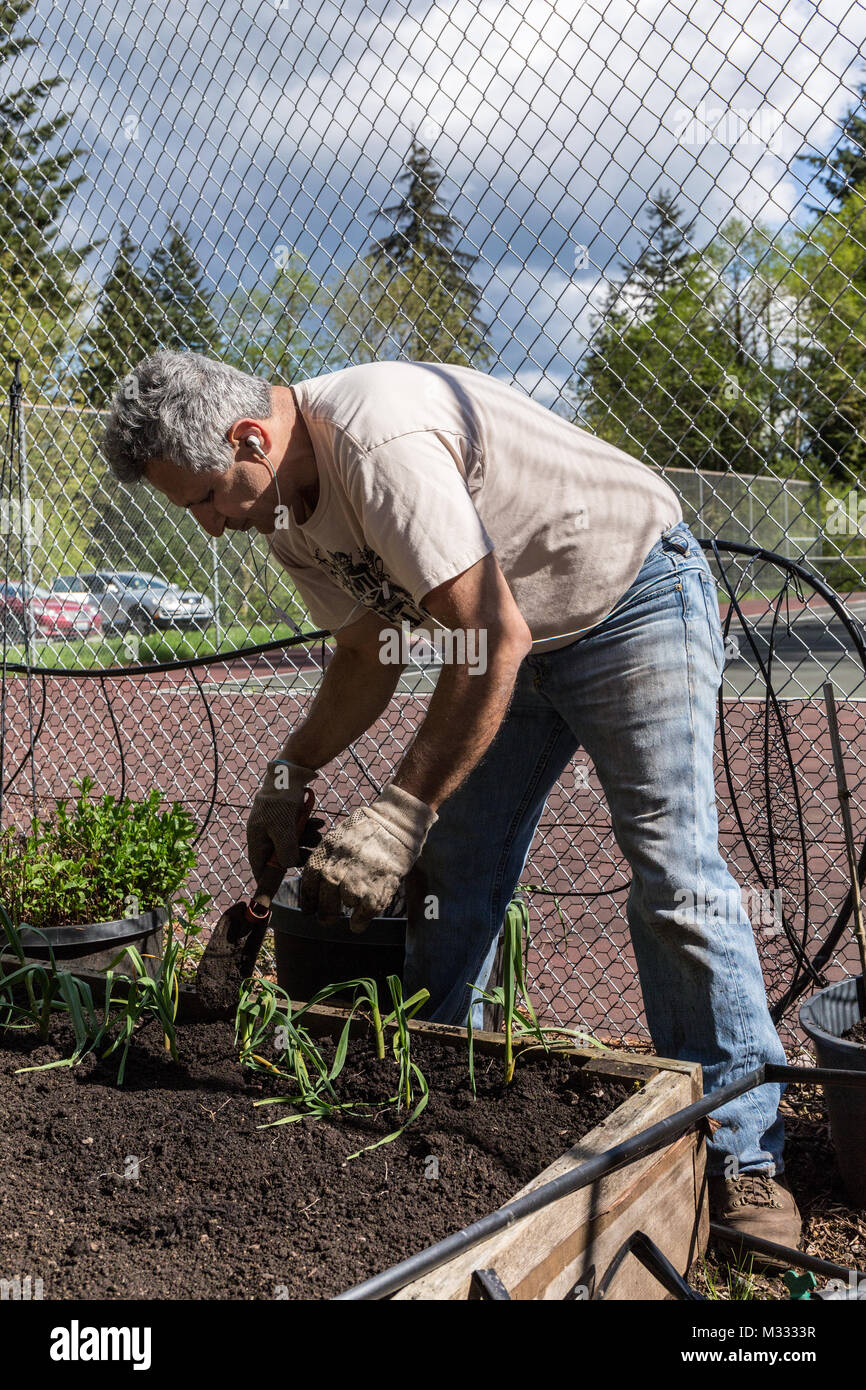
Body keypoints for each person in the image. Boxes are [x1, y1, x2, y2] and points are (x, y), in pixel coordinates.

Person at [102, 349, 801, 1252]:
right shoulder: (283, 513)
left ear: (248, 439)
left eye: (203, 499)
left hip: (627, 601)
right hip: (512, 643)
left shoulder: (376, 437)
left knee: (673, 874)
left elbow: (487, 636)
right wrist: (288, 774)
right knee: (455, 871)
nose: (207, 528)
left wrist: (398, 810)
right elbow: (369, 652)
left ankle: (743, 1158)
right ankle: (429, 1085)